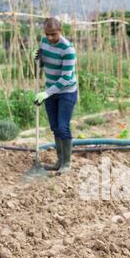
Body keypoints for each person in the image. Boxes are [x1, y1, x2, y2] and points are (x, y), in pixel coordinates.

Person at [34, 17, 77, 174]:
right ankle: (59, 161)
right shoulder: (44, 41)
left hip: (66, 92)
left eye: (54, 34)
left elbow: (66, 78)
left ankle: (67, 163)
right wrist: (38, 59)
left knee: (63, 126)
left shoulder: (68, 50)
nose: (50, 38)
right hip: (50, 91)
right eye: (47, 34)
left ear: (60, 31)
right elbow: (43, 63)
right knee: (54, 127)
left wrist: (46, 93)